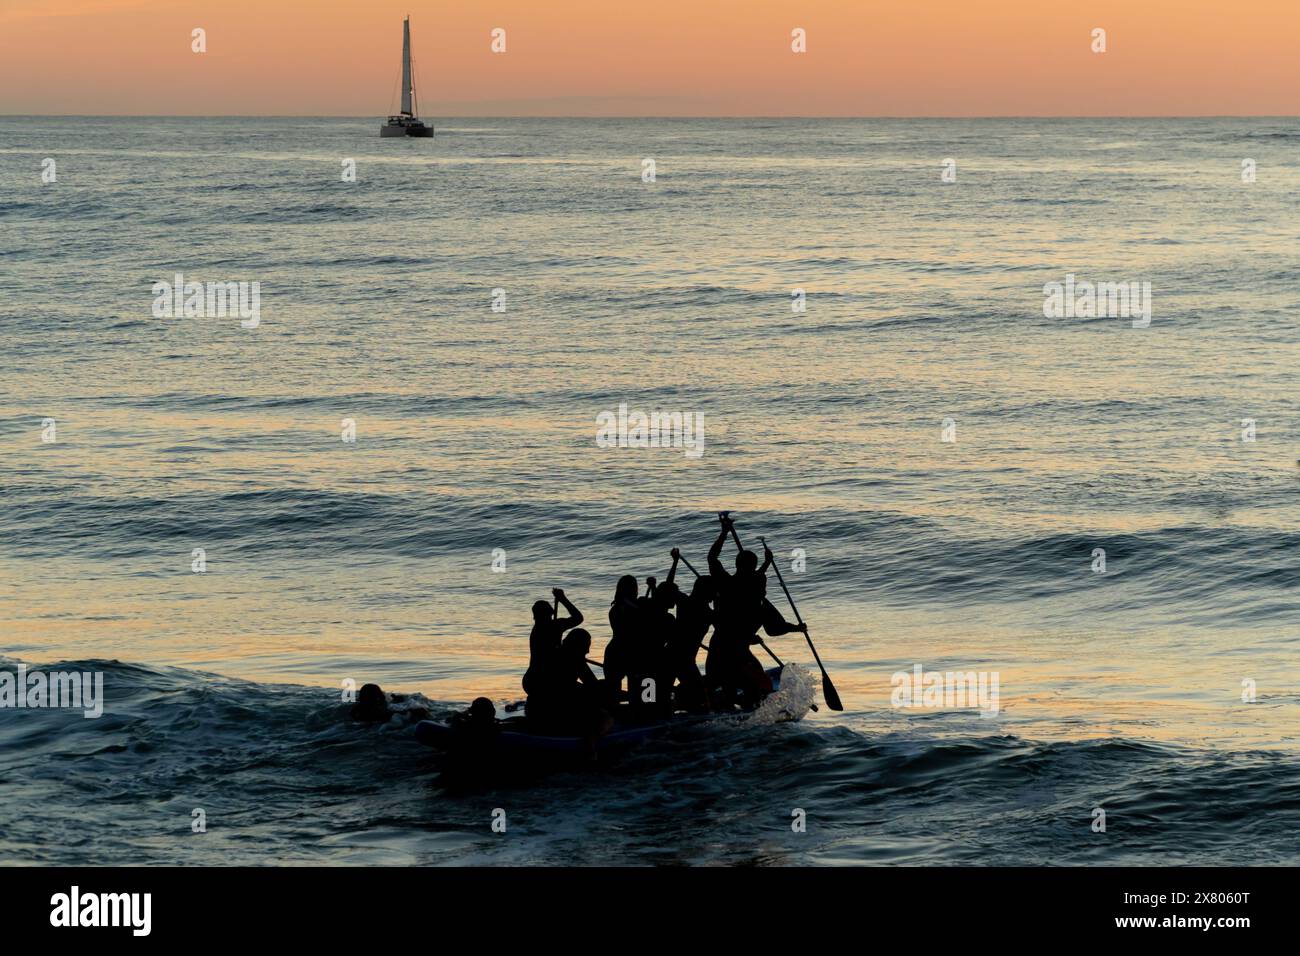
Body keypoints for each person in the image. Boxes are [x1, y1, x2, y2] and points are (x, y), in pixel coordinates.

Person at [706, 515, 804, 708]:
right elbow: (775, 628)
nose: (764, 588)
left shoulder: (726, 586)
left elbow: (712, 558)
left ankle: (726, 705)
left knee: (729, 689)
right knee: (756, 688)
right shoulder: (757, 603)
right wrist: (797, 628)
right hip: (736, 654)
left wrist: (724, 533)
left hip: (718, 649)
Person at [525, 629, 613, 756]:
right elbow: (593, 686)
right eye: (586, 646)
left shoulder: (547, 653)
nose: (588, 651)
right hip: (555, 716)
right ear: (578, 646)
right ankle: (592, 744)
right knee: (605, 717)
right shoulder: (576, 659)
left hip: (533, 710)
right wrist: (609, 688)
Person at [522, 588, 583, 697]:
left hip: (529, 682)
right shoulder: (555, 626)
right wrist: (563, 599)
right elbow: (578, 618)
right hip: (543, 682)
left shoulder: (536, 630)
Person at [603, 574, 642, 710]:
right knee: (641, 689)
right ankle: (647, 713)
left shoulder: (615, 608)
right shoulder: (634, 608)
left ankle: (615, 718)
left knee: (614, 693)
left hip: (615, 651)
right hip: (629, 652)